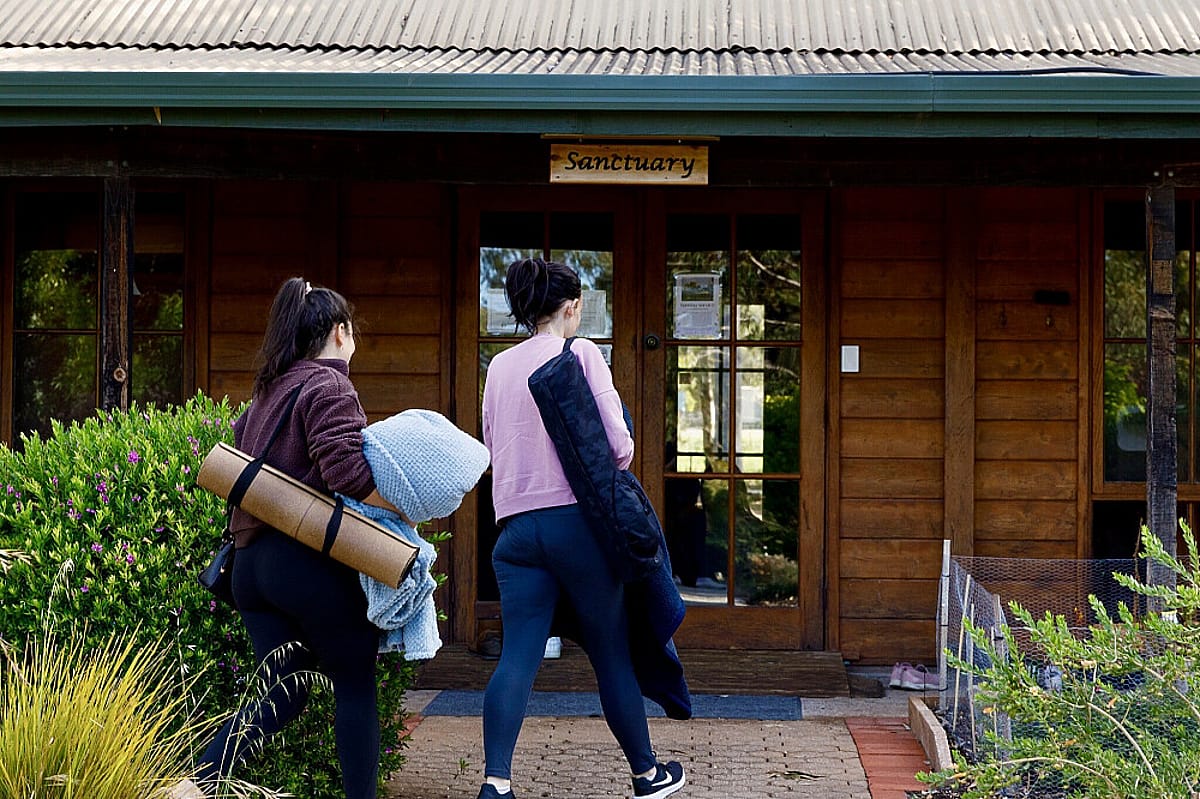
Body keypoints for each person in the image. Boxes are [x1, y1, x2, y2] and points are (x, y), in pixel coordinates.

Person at [478, 257, 687, 799]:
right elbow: (618, 450)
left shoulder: (499, 367)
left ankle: (496, 783)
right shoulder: (582, 353)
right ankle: (646, 775)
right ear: (572, 307)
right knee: (610, 650)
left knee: (517, 654)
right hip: (577, 526)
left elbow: (494, 445)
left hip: (515, 530)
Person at [180, 277, 395, 799]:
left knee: (284, 692)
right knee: (354, 682)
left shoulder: (266, 391)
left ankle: (191, 786)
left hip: (250, 569)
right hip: (301, 560)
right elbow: (346, 473)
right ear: (340, 332)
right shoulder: (329, 384)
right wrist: (404, 505)